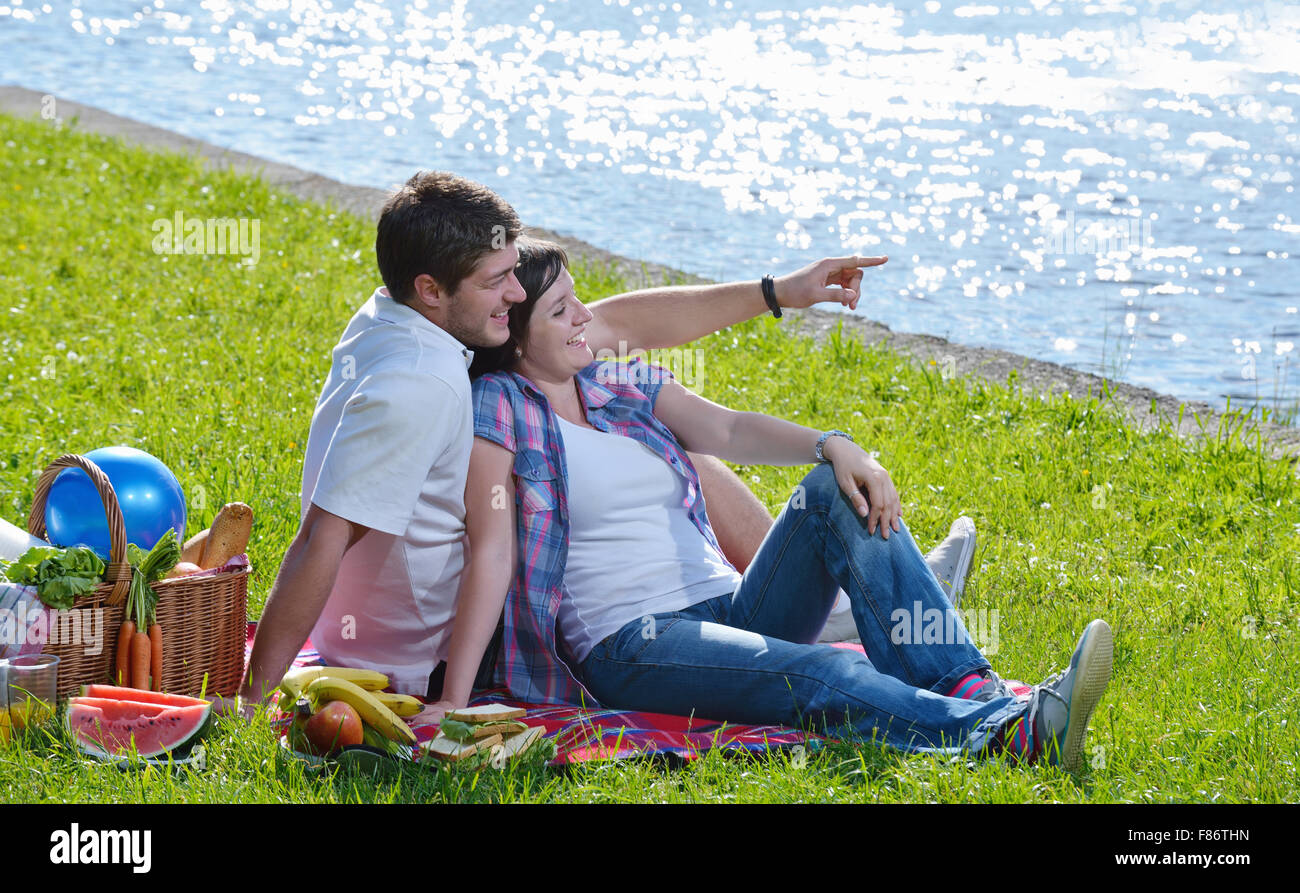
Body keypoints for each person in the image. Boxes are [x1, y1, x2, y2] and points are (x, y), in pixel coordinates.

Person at [427, 237, 1114, 772]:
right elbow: (492, 547)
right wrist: (455, 700)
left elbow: (726, 428)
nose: (587, 319)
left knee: (828, 489)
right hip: (633, 641)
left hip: (728, 607)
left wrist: (834, 443)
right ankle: (1009, 734)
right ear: (515, 338)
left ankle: (974, 689)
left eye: (580, 300)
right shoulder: (502, 410)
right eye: (562, 312)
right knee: (828, 670)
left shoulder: (613, 382)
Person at [237, 170, 893, 708]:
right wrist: (251, 695)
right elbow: (323, 536)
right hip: (421, 664)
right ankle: (815, 608)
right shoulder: (424, 384)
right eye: (498, 282)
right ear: (432, 289)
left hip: (388, 635)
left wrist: (778, 291)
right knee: (651, 432)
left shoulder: (397, 312)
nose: (514, 289)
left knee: (639, 417)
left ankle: (798, 602)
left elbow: (616, 323)